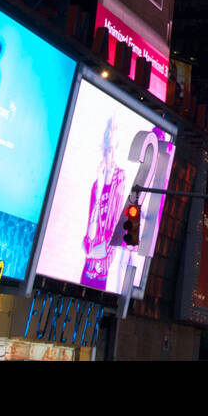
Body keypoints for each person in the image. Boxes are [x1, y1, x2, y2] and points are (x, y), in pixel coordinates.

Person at [81, 118, 127, 290]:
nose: (110, 154)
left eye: (114, 149)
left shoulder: (119, 177)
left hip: (104, 261)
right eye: (108, 149)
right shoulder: (96, 184)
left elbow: (114, 224)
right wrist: (100, 185)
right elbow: (90, 234)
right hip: (91, 261)